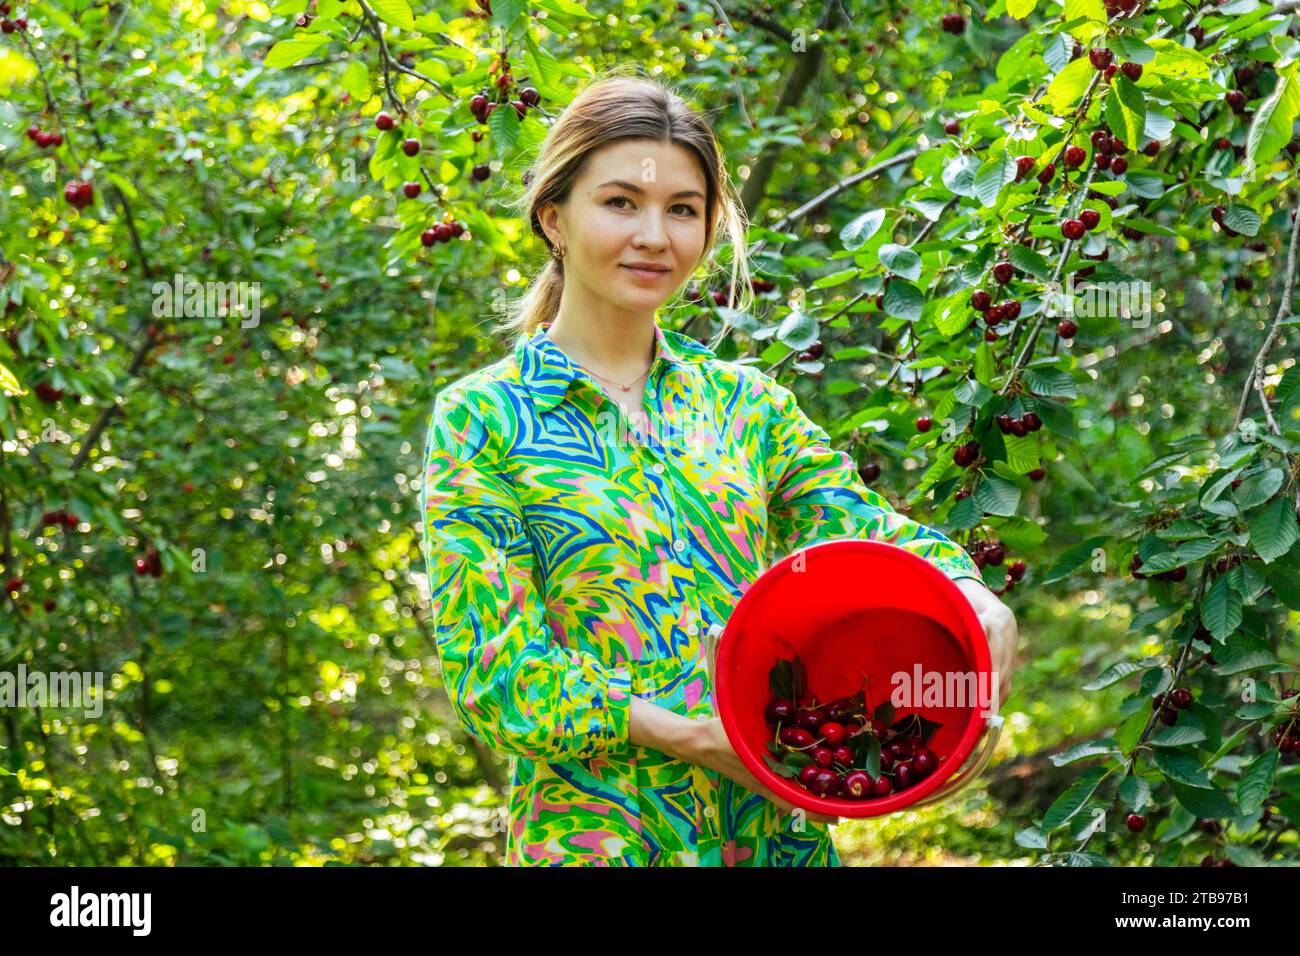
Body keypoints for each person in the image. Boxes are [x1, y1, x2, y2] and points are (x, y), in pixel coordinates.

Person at [420, 70, 1020, 866]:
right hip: (598, 834)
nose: (655, 237)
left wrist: (974, 595)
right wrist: (690, 735)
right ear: (553, 217)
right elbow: (491, 671)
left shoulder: (745, 406)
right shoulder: (482, 418)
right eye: (620, 203)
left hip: (773, 834)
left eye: (683, 210)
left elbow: (863, 531)